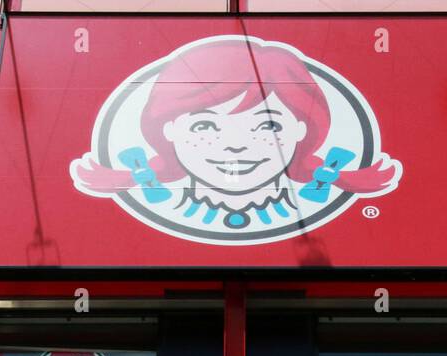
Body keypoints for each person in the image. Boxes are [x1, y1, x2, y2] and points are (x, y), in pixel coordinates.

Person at [71, 36, 400, 230]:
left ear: (303, 128)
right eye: (204, 125)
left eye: (267, 125)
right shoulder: (163, 204)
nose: (235, 145)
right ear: (167, 128)